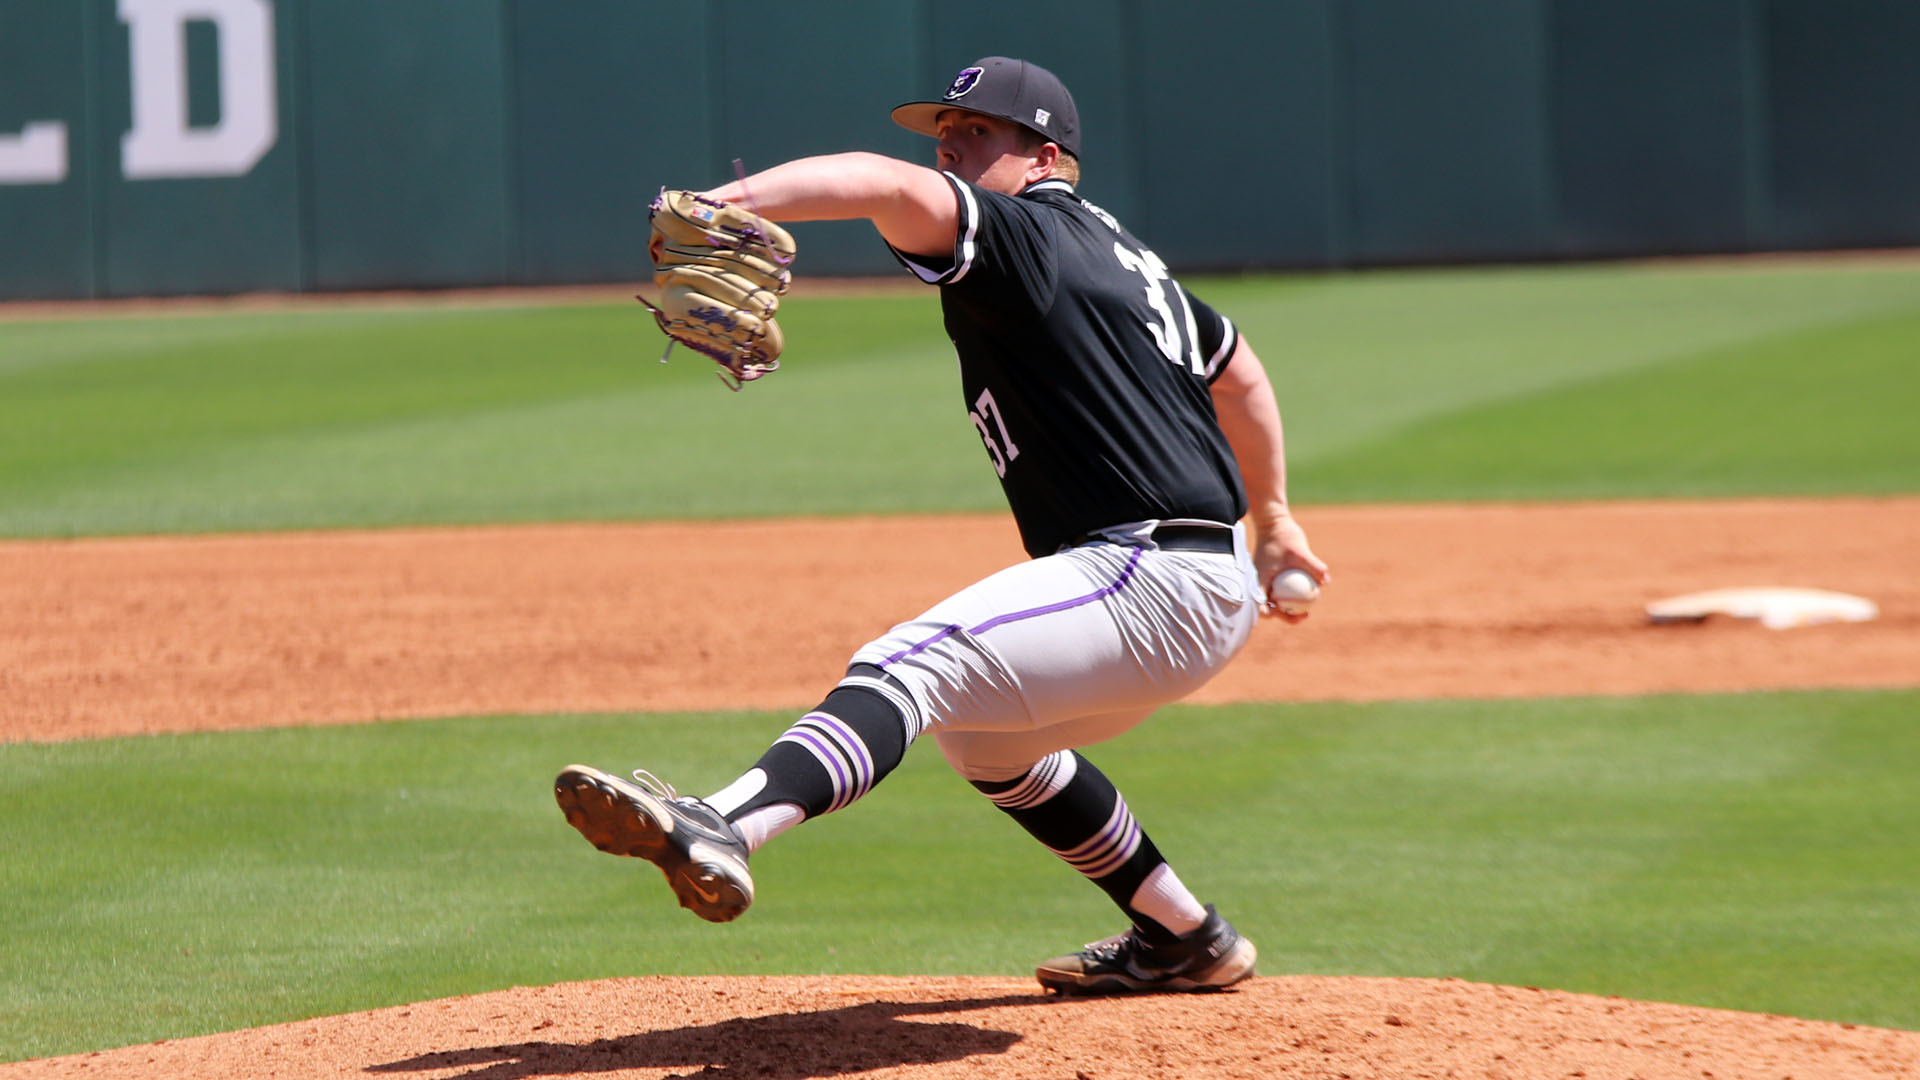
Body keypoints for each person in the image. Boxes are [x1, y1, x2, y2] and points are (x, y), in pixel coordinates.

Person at [555, 55, 1329, 996]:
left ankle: (724, 822)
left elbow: (883, 183)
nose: (952, 151)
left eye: (978, 136)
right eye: (946, 136)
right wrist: (1277, 516)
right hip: (1190, 587)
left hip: (1148, 577)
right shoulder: (1126, 257)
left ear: (1044, 156)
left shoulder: (1025, 236)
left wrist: (718, 206)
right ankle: (1184, 935)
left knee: (910, 665)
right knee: (991, 742)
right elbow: (1236, 366)